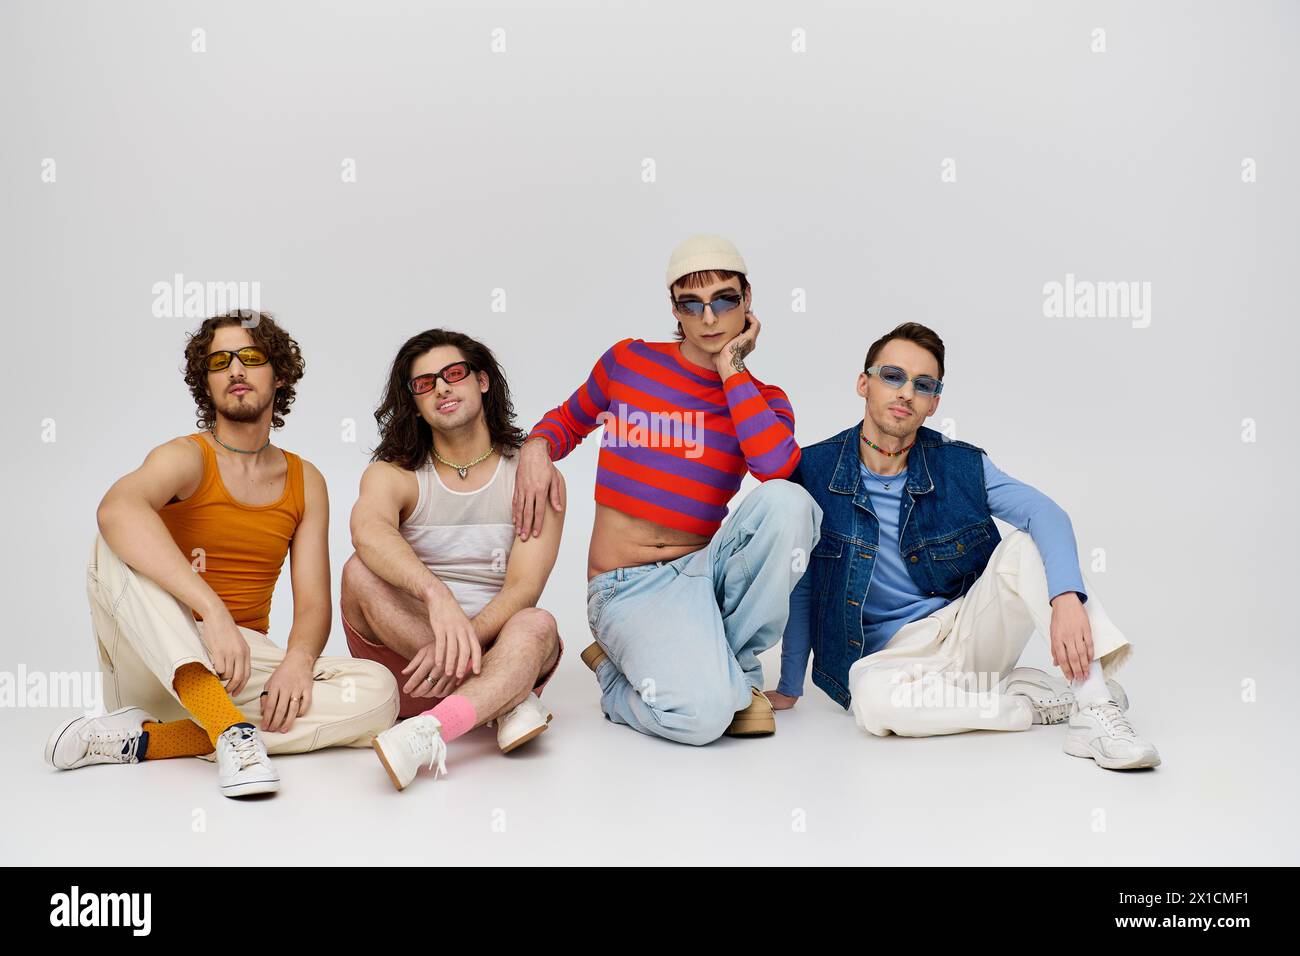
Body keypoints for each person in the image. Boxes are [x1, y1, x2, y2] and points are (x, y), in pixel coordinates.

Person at [774, 322, 1160, 770]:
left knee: (1024, 548)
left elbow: (1048, 515)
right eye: (892, 376)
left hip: (967, 633)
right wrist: (789, 683)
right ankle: (1026, 707)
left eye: (923, 385)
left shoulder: (960, 465)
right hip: (888, 660)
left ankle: (1094, 709)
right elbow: (801, 579)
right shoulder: (815, 469)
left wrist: (1067, 596)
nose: (905, 393)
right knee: (872, 702)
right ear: (864, 382)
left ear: (934, 402)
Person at [45, 311, 399, 798]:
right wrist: (212, 610)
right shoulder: (186, 456)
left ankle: (146, 741)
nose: (235, 369)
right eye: (219, 362)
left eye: (251, 357)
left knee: (380, 694)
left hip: (240, 667)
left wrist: (297, 661)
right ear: (205, 383)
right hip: (155, 658)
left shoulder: (306, 481)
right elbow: (115, 510)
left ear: (278, 375)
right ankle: (230, 733)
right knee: (113, 535)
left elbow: (314, 603)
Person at [513, 234, 820, 746]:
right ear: (674, 310)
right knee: (700, 720)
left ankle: (736, 668)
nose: (709, 318)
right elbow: (567, 421)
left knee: (793, 505)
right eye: (691, 304)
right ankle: (616, 678)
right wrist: (537, 446)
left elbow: (775, 469)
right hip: (628, 587)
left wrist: (731, 369)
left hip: (704, 575)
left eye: (724, 299)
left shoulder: (762, 398)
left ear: (748, 300)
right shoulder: (628, 362)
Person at [342, 330, 563, 790]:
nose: (441, 388)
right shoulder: (392, 474)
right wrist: (435, 595)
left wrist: (466, 640)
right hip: (412, 667)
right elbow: (368, 531)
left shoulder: (532, 475)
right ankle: (505, 702)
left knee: (538, 623)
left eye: (453, 374)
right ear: (414, 403)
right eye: (424, 384)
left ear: (482, 381)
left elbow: (524, 587)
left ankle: (429, 732)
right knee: (357, 571)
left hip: (498, 654)